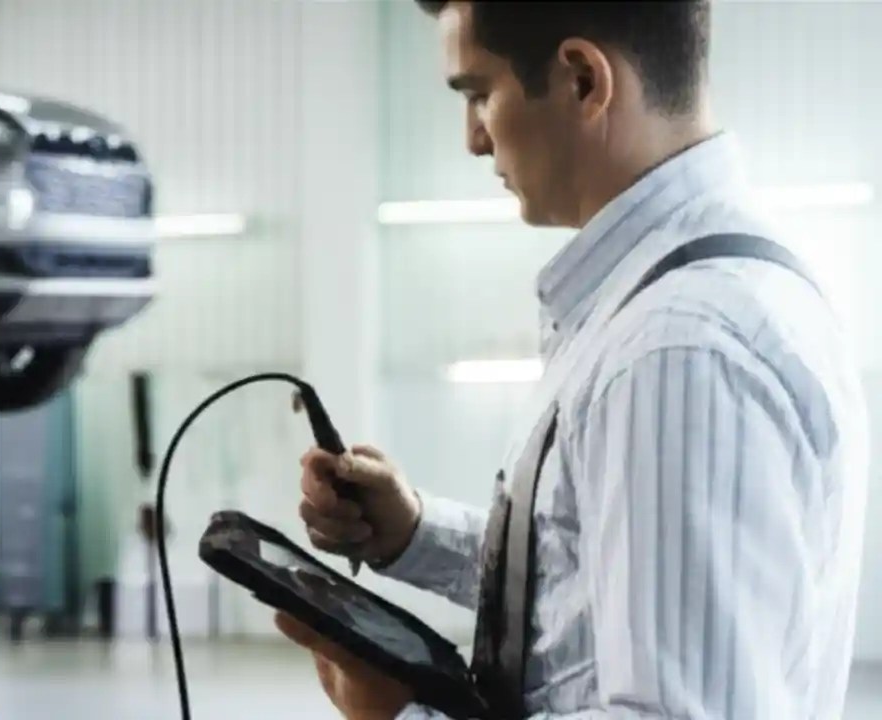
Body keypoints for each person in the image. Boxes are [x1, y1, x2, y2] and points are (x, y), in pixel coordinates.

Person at [278, 2, 870, 719]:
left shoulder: (675, 347)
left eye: (477, 93)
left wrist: (401, 716)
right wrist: (414, 533)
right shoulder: (690, 291)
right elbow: (590, 585)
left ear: (584, 81)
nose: (472, 139)